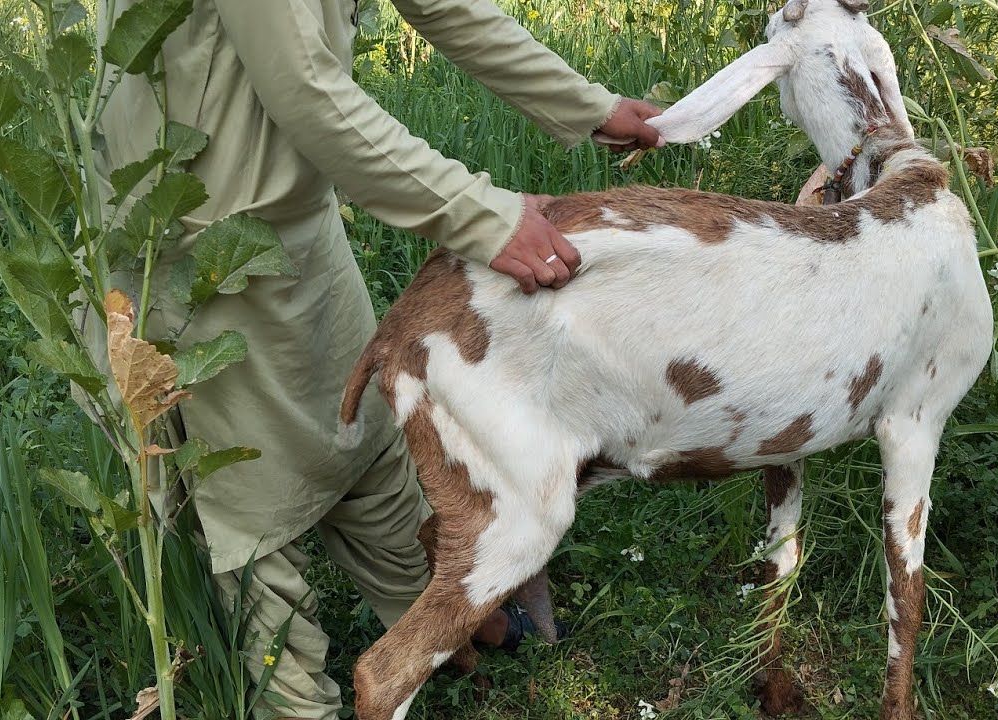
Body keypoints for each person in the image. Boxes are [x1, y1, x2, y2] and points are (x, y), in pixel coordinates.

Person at [91, 0, 663, 717]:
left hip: (298, 226)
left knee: (363, 439)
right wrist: (484, 218)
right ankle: (294, 698)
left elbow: (444, 5)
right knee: (254, 512)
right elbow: (307, 90)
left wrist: (590, 107)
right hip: (203, 247)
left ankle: (441, 631)